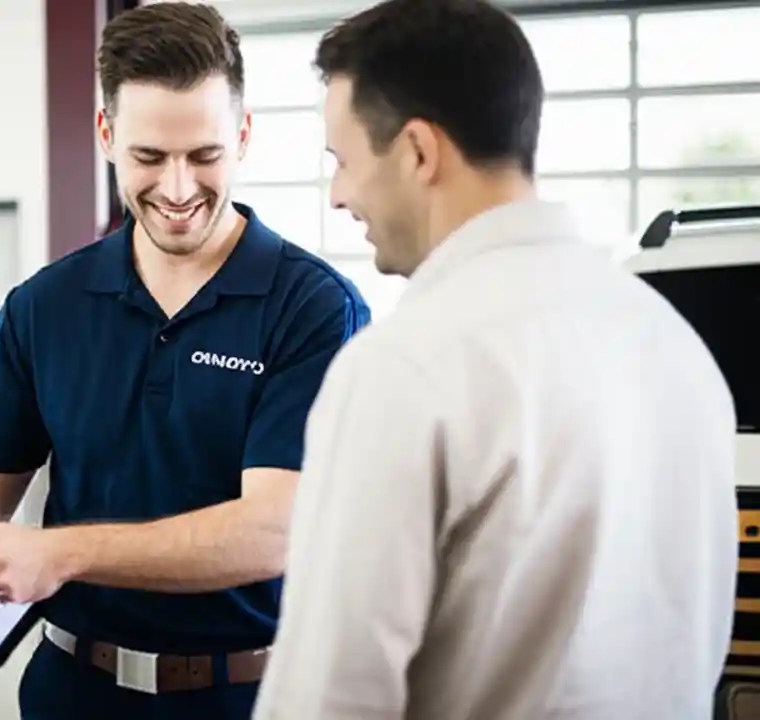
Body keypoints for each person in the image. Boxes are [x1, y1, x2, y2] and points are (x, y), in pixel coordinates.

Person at [0, 3, 370, 718]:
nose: (180, 188)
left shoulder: (313, 308)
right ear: (106, 135)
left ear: (244, 136)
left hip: (245, 697)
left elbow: (272, 531)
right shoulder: (44, 304)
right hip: (70, 690)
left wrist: (60, 554)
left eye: (205, 155)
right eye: (150, 157)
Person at [252, 1, 738, 718]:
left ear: (418, 152)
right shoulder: (671, 341)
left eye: (344, 160)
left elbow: (328, 699)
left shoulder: (405, 367)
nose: (340, 194)